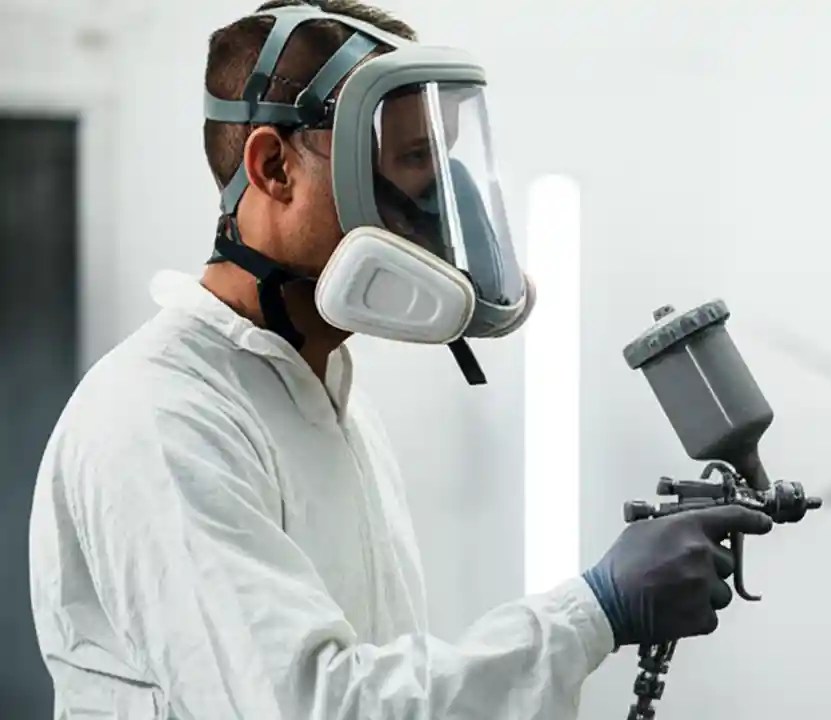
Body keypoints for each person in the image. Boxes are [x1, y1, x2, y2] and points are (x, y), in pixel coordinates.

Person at [27, 1, 773, 717]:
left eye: (442, 165)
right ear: (273, 168)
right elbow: (316, 707)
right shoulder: (162, 419)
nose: (439, 209)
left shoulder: (325, 395)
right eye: (413, 161)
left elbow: (380, 678)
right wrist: (596, 610)